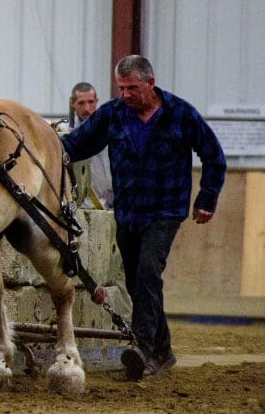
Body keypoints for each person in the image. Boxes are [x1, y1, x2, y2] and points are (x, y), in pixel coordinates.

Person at [61, 55, 226, 381]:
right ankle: (163, 351)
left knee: (149, 272)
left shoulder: (181, 114)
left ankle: (144, 350)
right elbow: (78, 144)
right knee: (138, 281)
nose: (125, 94)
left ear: (150, 83)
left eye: (132, 88)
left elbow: (212, 154)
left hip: (165, 210)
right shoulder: (112, 114)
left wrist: (207, 198)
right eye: (121, 88)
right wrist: (45, 146)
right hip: (128, 212)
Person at [69, 82, 113, 209]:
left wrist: (111, 197)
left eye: (91, 102)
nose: (87, 108)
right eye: (81, 103)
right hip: (77, 206)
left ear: (97, 101)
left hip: (107, 203)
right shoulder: (67, 135)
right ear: (73, 103)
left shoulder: (110, 131)